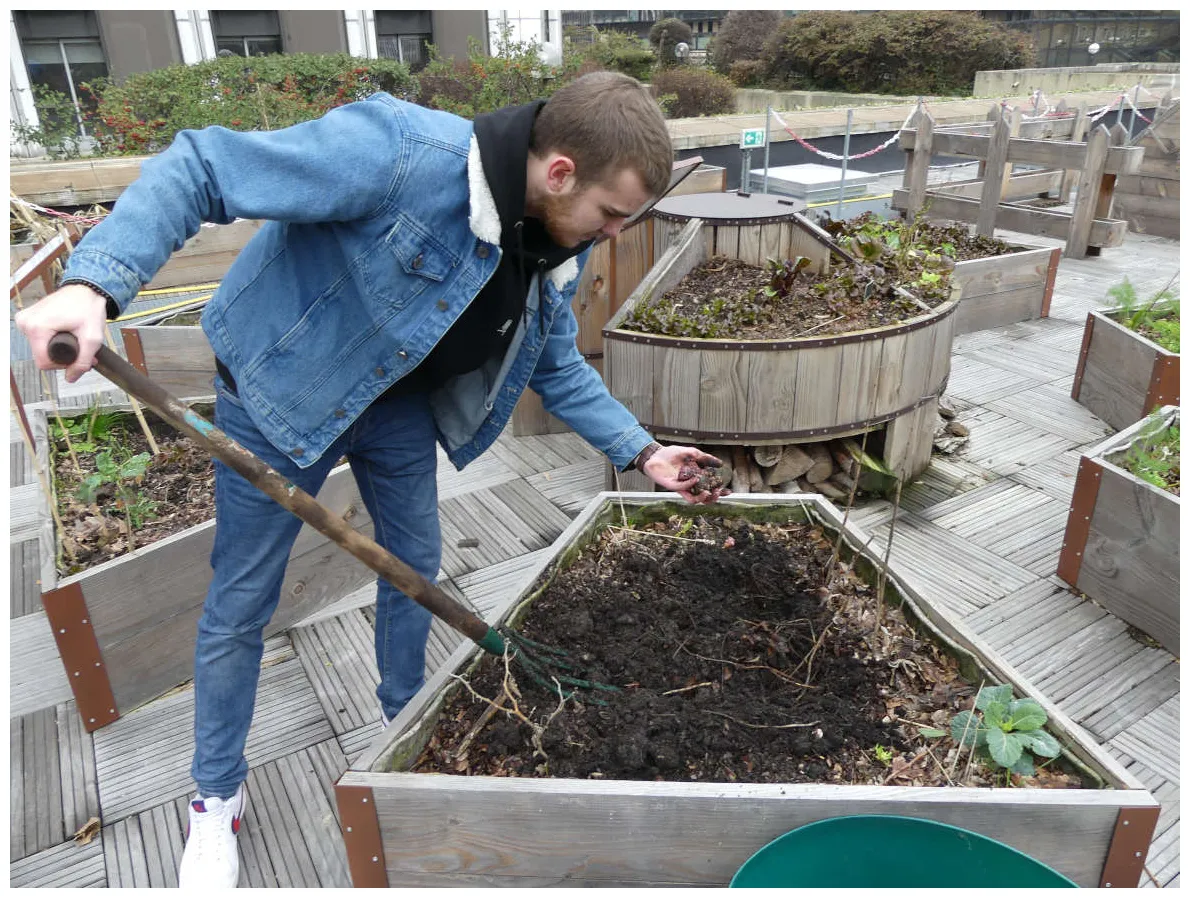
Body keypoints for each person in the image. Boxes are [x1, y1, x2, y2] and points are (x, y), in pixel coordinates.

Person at [15, 70, 727, 887]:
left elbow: (557, 368)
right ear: (560, 171)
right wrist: (92, 283)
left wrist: (645, 453)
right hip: (279, 394)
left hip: (396, 406)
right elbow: (203, 165)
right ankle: (215, 796)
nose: (610, 233)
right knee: (242, 599)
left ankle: (401, 720)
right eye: (611, 214)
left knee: (416, 567)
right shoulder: (397, 152)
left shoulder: (548, 246)